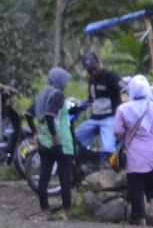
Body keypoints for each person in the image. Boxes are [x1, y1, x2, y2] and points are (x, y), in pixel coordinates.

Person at [113, 75, 153, 228]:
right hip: (152, 151)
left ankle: (143, 227)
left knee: (136, 189)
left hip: (134, 153)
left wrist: (125, 137)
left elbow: (116, 131)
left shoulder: (123, 109)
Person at [30, 67, 75, 219]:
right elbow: (50, 116)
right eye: (65, 81)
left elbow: (28, 114)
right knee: (64, 179)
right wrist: (56, 138)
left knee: (43, 178)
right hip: (60, 142)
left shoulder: (41, 95)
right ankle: (67, 214)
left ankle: (45, 212)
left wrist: (35, 133)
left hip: (43, 142)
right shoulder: (58, 95)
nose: (66, 84)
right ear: (59, 81)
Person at [75, 51, 121, 166]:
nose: (93, 72)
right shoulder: (91, 80)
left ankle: (113, 169)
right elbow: (92, 99)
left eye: (94, 68)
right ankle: (87, 161)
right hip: (94, 118)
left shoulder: (110, 76)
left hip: (109, 118)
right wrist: (81, 105)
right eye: (90, 70)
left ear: (98, 63)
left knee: (109, 147)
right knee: (74, 138)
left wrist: (121, 112)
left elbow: (124, 90)